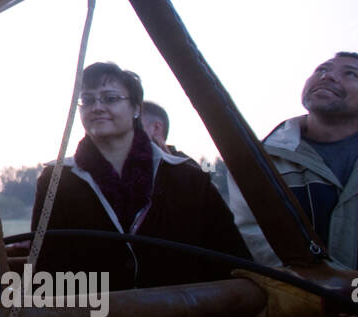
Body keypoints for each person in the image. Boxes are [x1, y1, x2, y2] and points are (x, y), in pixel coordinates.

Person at [30, 62, 250, 288]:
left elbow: (231, 259)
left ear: (136, 109)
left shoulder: (189, 178)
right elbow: (48, 271)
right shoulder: (55, 182)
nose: (97, 107)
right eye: (87, 100)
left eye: (110, 98)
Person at [230, 52, 358, 271]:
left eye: (350, 74)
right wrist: (309, 284)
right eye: (322, 70)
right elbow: (254, 232)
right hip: (301, 300)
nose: (328, 77)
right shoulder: (260, 159)